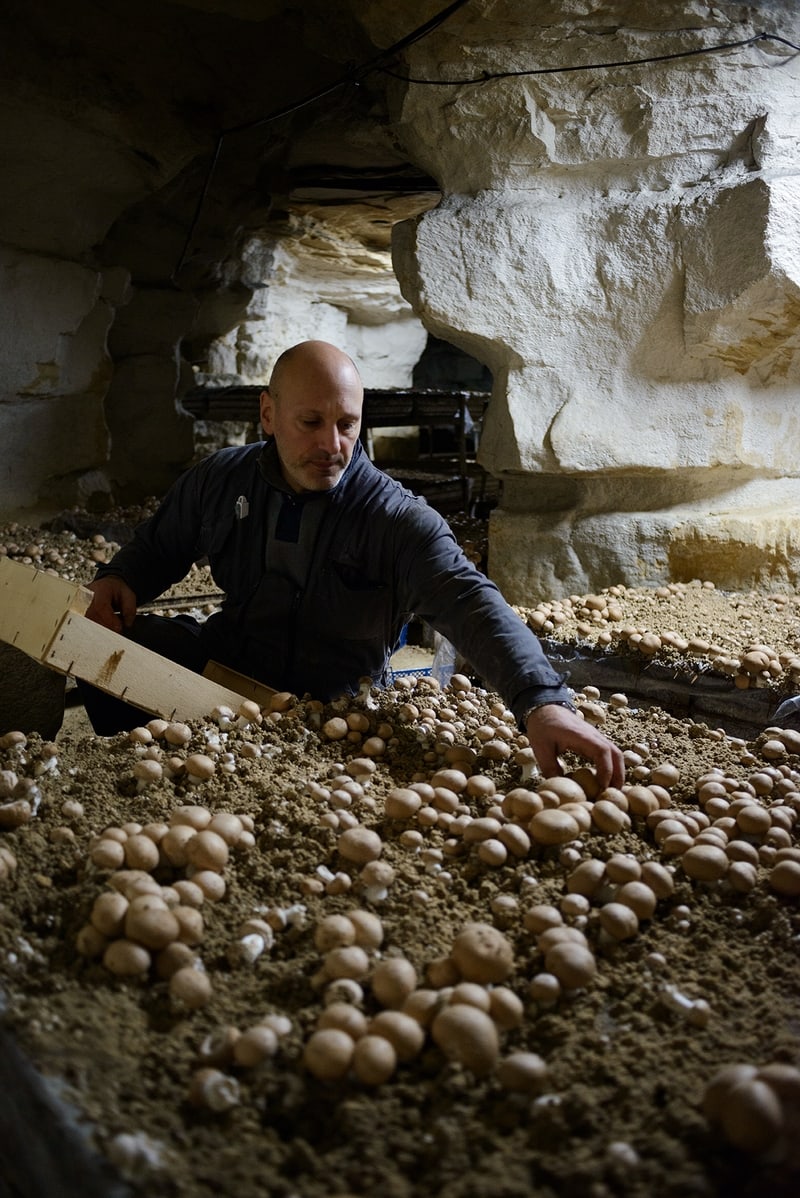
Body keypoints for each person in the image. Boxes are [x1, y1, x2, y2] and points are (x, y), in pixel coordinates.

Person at [84, 340, 625, 787]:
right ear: (268, 414)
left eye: (347, 424)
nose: (331, 444)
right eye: (311, 422)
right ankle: (122, 772)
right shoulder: (222, 479)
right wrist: (121, 576)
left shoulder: (396, 519)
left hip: (332, 707)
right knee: (97, 643)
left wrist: (542, 702)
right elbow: (160, 544)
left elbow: (470, 602)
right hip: (229, 663)